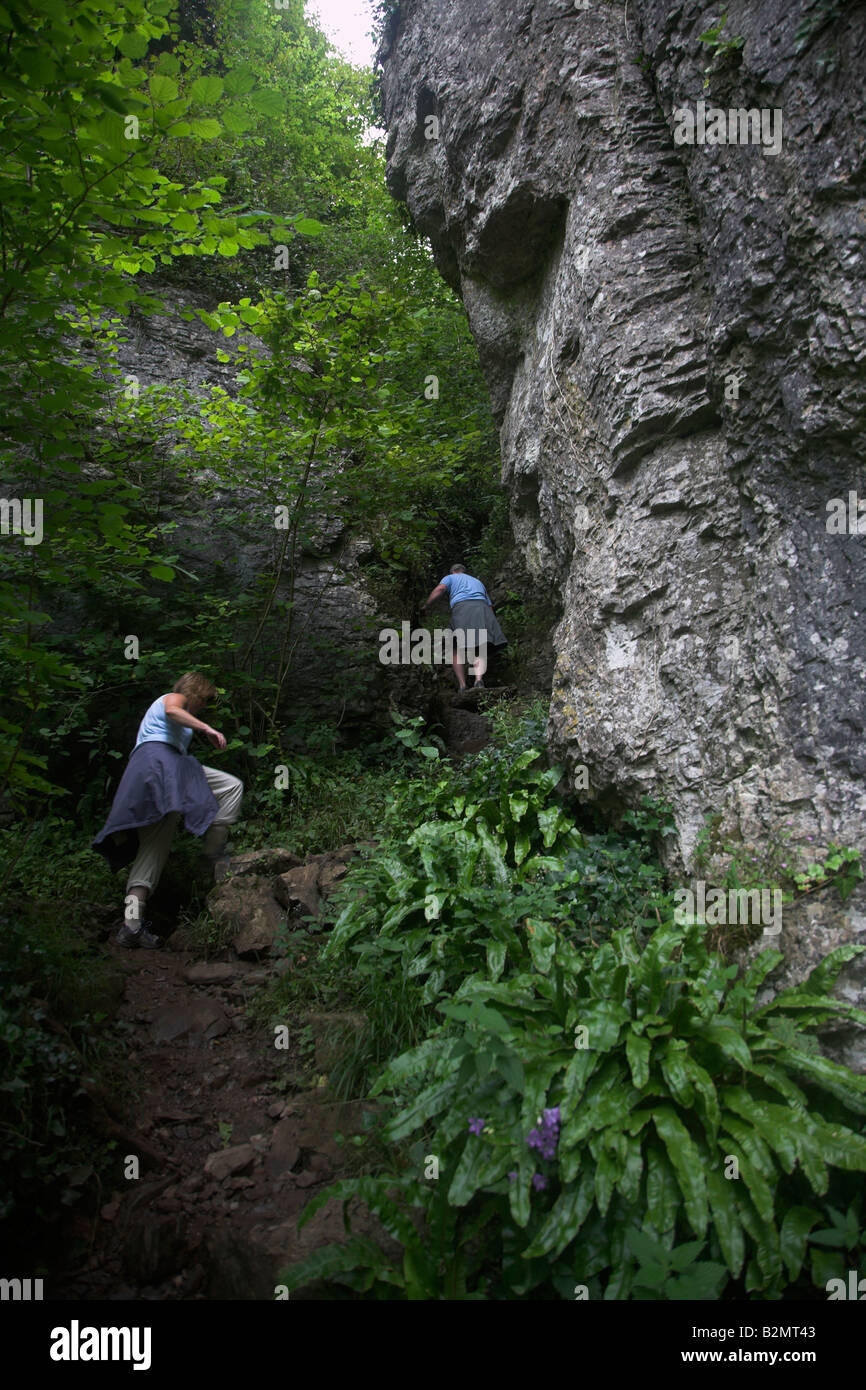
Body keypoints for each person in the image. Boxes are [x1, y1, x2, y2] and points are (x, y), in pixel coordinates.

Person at [92, 672, 243, 949]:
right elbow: (173, 710)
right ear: (195, 694)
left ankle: (131, 926)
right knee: (230, 787)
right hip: (157, 767)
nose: (203, 708)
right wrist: (206, 728)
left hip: (169, 772)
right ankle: (211, 853)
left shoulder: (182, 729)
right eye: (204, 702)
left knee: (152, 853)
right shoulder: (173, 698)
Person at [421, 564, 507, 691]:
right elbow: (489, 606)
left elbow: (440, 589)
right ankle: (478, 680)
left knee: (455, 648)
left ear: (453, 571)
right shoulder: (478, 582)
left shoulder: (450, 578)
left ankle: (462, 685)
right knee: (480, 646)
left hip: (463, 608)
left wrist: (426, 606)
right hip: (482, 610)